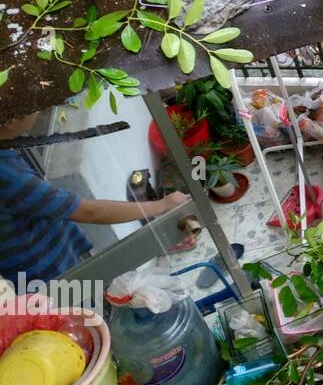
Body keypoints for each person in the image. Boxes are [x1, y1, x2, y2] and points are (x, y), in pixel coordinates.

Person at [0, 112, 190, 285]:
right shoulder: (7, 174)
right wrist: (163, 205)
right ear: (10, 119)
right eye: (33, 107)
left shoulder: (8, 149)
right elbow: (89, 212)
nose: (40, 111)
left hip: (50, 260)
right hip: (44, 276)